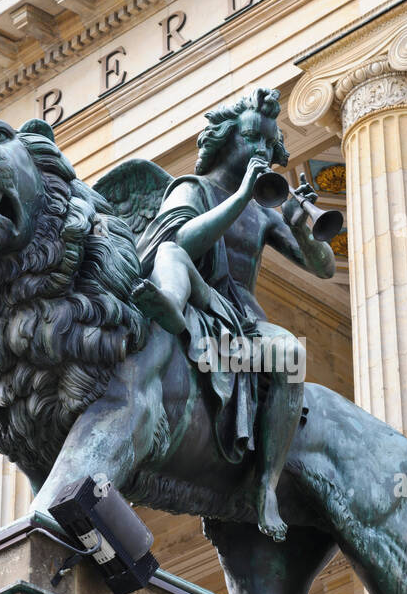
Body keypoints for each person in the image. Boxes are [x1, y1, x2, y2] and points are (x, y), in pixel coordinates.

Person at [133, 87, 336, 541]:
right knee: (171, 256)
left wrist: (303, 232)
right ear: (226, 140)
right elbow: (181, 242)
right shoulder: (193, 189)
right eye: (253, 139)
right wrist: (242, 195)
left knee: (287, 354)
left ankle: (264, 485)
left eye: (269, 144)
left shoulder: (265, 214)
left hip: (240, 322)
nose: (262, 151)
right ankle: (165, 305)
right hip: (192, 294)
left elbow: (325, 268)